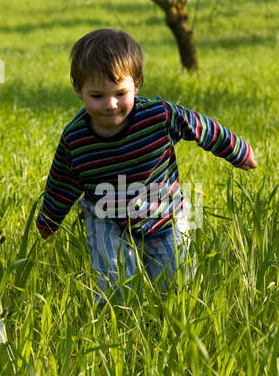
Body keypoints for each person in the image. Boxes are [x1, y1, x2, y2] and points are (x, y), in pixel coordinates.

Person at [35, 28, 258, 306]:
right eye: (97, 96)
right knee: (113, 285)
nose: (111, 104)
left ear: (137, 84)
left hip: (164, 212)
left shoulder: (158, 116)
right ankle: (116, 322)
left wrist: (237, 151)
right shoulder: (76, 138)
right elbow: (62, 181)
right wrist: (49, 219)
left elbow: (200, 126)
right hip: (106, 217)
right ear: (79, 91)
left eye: (120, 93)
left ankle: (171, 323)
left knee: (179, 286)